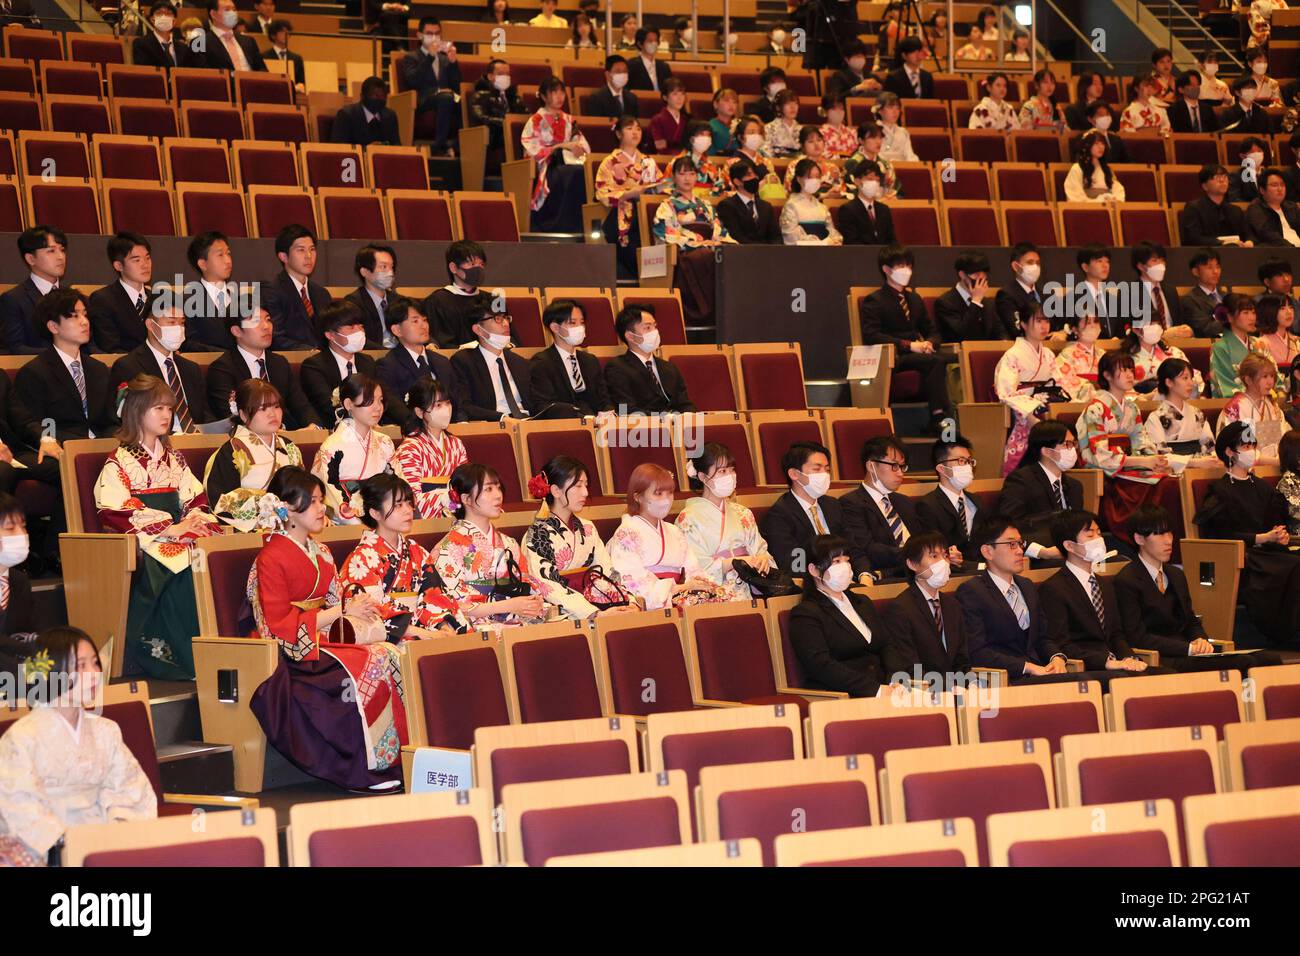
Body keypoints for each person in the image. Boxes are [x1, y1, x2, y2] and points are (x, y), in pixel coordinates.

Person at [246, 467, 405, 791]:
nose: (322, 509)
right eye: (313, 502)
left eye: (321, 500)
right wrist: (338, 612)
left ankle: (392, 761)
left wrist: (354, 608)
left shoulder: (321, 551)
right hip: (291, 648)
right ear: (288, 509)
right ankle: (360, 768)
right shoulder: (270, 557)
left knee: (387, 654)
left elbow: (337, 600)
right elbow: (275, 625)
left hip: (320, 636)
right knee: (366, 665)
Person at [94, 375, 222, 679]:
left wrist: (193, 520)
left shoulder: (173, 457)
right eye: (158, 408)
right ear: (136, 411)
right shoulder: (118, 463)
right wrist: (167, 528)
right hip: (146, 541)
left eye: (169, 408)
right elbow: (114, 510)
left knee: (212, 557)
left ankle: (218, 651)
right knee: (189, 567)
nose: (167, 415)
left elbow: (194, 495)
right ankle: (183, 657)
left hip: (180, 532)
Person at [0, 627, 156, 866]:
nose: (94, 674)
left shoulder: (106, 731)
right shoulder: (21, 737)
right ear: (51, 673)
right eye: (81, 666)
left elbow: (130, 791)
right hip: (45, 850)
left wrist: (115, 835)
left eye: (95, 663)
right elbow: (19, 804)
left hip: (102, 841)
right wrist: (64, 843)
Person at [1115, 505, 1276, 672]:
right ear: (1139, 539)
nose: (1169, 540)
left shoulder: (1175, 574)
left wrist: (1200, 639)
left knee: (1269, 659)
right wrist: (1188, 648)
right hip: (1163, 658)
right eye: (1160, 534)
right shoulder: (1127, 580)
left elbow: (1191, 620)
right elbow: (1138, 638)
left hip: (1189, 652)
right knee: (1245, 663)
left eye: (1169, 533)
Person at [1194, 421, 1300, 645]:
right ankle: (1288, 635)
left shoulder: (1262, 487)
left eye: (1253, 445)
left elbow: (1275, 524)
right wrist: (1260, 538)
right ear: (1229, 452)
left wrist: (1280, 535)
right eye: (1245, 446)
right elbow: (1216, 536)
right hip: (1241, 559)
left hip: (1267, 553)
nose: (1251, 451)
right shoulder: (1220, 491)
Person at [339, 473, 465, 639]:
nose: (408, 510)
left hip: (424, 629)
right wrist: (421, 633)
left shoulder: (416, 551)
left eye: (408, 502)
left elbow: (434, 594)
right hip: (390, 637)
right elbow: (371, 611)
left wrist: (442, 625)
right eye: (398, 505)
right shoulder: (361, 559)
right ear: (375, 513)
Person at [957, 516, 1071, 681]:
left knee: (1091, 684)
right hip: (1004, 679)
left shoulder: (1027, 586)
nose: (1019, 551)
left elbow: (1042, 638)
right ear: (987, 551)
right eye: (1011, 544)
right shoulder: (972, 592)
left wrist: (1057, 657)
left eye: (1020, 544)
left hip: (1039, 674)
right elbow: (978, 652)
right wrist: (1028, 668)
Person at [434, 463, 546, 629]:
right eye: (488, 489)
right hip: (477, 625)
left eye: (498, 488)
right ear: (466, 499)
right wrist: (508, 606)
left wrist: (532, 600)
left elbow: (525, 581)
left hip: (514, 618)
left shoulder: (509, 543)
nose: (498, 496)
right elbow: (450, 604)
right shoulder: (448, 547)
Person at [1040, 510, 1152, 673]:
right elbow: (1061, 644)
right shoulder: (1053, 588)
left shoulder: (1105, 583)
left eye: (1099, 533)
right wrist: (1105, 662)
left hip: (1115, 664)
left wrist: (1130, 659)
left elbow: (1116, 635)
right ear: (1069, 545)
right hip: (1087, 667)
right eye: (1090, 535)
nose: (1099, 540)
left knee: (1166, 676)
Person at [14, 291, 118, 465]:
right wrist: (80, 446)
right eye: (74, 316)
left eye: (85, 314)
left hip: (101, 446)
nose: (85, 322)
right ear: (53, 327)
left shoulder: (98, 369)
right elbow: (36, 425)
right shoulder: (34, 373)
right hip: (63, 449)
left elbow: (110, 420)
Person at [522, 456, 629, 620]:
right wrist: (593, 613)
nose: (585, 492)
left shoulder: (588, 528)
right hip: (564, 613)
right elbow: (547, 585)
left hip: (599, 603)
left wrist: (628, 601)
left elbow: (607, 571)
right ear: (556, 490)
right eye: (578, 486)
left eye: (586, 485)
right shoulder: (538, 534)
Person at [861, 245, 955, 431]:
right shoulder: (875, 300)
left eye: (909, 266)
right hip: (895, 356)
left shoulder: (914, 299)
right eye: (901, 266)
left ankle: (951, 414)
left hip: (918, 355)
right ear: (886, 269)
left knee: (947, 358)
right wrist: (909, 345)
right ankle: (939, 416)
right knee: (935, 362)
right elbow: (872, 334)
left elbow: (931, 330)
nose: (907, 270)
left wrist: (930, 343)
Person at [788, 534, 893, 698]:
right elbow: (822, 666)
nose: (845, 567)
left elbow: (887, 645)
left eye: (847, 560)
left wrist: (896, 679)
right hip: (843, 695)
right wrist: (876, 690)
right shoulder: (805, 614)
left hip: (885, 688)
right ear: (814, 569)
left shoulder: (862, 602)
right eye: (836, 561)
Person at [608, 463, 716, 611]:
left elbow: (693, 569)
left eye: (670, 493)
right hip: (653, 605)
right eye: (658, 493)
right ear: (638, 497)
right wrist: (678, 589)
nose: (666, 500)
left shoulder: (674, 531)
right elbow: (632, 582)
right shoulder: (626, 533)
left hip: (682, 597)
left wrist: (698, 583)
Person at [676, 441, 773, 600]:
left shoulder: (743, 513)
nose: (729, 476)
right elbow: (696, 566)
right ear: (702, 476)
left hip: (751, 586)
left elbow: (760, 550)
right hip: (718, 593)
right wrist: (733, 563)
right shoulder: (688, 518)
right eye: (722, 471)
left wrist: (762, 559)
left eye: (731, 470)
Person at [843, 435, 940, 580]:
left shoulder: (903, 501)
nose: (900, 473)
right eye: (894, 466)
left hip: (918, 571)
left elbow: (922, 537)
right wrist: (917, 555)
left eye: (902, 466)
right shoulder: (851, 503)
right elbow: (867, 548)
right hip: (888, 576)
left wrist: (939, 552)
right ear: (871, 466)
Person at [205, 308, 321, 429]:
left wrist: (313, 425)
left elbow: (301, 405)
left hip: (286, 434)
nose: (266, 326)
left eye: (268, 319)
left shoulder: (279, 363)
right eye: (255, 321)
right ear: (236, 331)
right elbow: (230, 416)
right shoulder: (222, 369)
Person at [881, 532, 970, 686]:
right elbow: (909, 666)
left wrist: (966, 684)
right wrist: (945, 689)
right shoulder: (900, 609)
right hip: (923, 691)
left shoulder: (952, 604)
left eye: (945, 556)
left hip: (955, 690)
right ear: (912, 564)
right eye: (934, 556)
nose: (943, 562)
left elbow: (961, 658)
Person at [108, 306, 211, 433]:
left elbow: (205, 414)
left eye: (182, 323)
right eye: (172, 322)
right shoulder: (128, 366)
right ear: (151, 325)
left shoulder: (191, 368)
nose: (179, 328)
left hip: (196, 440)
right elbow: (124, 419)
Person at [310, 373, 395, 524]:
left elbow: (396, 483)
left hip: (384, 516)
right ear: (349, 404)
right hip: (349, 521)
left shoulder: (385, 442)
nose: (378, 407)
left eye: (380, 400)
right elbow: (330, 493)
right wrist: (358, 520)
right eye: (370, 401)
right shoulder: (331, 447)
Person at [760, 440, 854, 575]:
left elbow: (852, 546)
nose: (825, 475)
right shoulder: (779, 516)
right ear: (794, 474)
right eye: (817, 469)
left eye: (827, 470)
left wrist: (864, 573)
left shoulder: (833, 505)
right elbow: (794, 564)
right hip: (812, 583)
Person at [375, 297, 462, 431]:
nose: (424, 325)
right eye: (415, 321)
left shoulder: (442, 362)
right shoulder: (388, 366)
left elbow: (456, 401)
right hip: (413, 433)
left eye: (425, 320)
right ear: (397, 330)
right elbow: (395, 408)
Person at [1000, 420, 1083, 560]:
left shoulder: (1075, 486)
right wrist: (1041, 552)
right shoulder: (1021, 481)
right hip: (1035, 557)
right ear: (1046, 451)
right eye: (1066, 444)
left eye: (1073, 444)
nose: (1073, 450)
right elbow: (1008, 526)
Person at [995, 309, 1060, 474]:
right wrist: (1030, 415)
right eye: (1038, 321)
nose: (1044, 326)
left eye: (1046, 321)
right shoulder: (1012, 355)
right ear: (1023, 324)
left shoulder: (1049, 355)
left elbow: (1058, 384)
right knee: (1029, 422)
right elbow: (1005, 392)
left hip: (1046, 402)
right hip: (1021, 406)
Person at [522, 76, 589, 233]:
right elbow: (531, 147)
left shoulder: (569, 120)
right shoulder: (536, 120)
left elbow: (581, 143)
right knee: (571, 173)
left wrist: (577, 148)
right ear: (544, 96)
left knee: (580, 172)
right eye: (554, 92)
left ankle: (575, 224)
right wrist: (560, 147)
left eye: (562, 92)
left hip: (570, 164)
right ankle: (557, 223)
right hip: (548, 166)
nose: (559, 97)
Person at [391, 379, 466, 520]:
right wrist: (447, 499)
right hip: (424, 521)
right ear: (419, 412)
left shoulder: (456, 444)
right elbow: (411, 499)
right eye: (438, 405)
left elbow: (465, 486)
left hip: (456, 515)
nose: (445, 409)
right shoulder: (410, 448)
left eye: (447, 403)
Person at [299, 301, 381, 426]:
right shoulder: (314, 366)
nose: (359, 332)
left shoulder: (368, 362)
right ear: (330, 335)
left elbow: (384, 396)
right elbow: (326, 405)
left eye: (361, 326)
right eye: (351, 327)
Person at [603, 305, 697, 414]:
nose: (655, 332)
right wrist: (665, 419)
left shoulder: (669, 367)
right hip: (644, 428)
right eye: (648, 328)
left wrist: (690, 415)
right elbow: (625, 409)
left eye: (655, 326)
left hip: (678, 426)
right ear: (630, 336)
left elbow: (685, 403)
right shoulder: (617, 368)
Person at [529, 300, 613, 418]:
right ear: (555, 327)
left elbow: (604, 398)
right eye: (573, 323)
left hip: (598, 422)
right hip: (567, 424)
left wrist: (609, 413)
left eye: (582, 322)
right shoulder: (542, 363)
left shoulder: (590, 360)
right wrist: (582, 418)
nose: (580, 328)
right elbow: (545, 406)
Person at [450, 306, 532, 421]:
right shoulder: (464, 362)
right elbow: (464, 406)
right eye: (498, 318)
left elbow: (536, 401)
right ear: (478, 330)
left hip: (527, 420)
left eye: (506, 318)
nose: (505, 323)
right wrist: (501, 417)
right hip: (495, 423)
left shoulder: (519, 362)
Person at [1, 225, 68, 356]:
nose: (61, 257)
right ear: (31, 259)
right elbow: (15, 348)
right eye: (51, 251)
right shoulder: (13, 299)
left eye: (62, 250)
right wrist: (62, 355)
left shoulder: (73, 297)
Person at [399, 17, 461, 157]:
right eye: (429, 33)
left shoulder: (444, 59)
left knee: (464, 101)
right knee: (445, 97)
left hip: (447, 97)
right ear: (419, 35)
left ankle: (457, 147)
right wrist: (430, 57)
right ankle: (439, 146)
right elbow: (413, 81)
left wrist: (453, 63)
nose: (434, 37)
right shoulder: (411, 57)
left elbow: (457, 85)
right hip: (422, 100)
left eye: (437, 33)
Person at [264, 224, 332, 350]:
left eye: (312, 249)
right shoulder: (270, 291)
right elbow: (275, 337)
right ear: (283, 256)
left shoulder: (322, 293)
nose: (309, 256)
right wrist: (308, 352)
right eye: (301, 250)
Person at [87, 232, 155, 354]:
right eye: (137, 260)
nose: (145, 265)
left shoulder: (158, 299)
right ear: (118, 266)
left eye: (147, 258)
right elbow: (109, 346)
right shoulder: (103, 300)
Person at [915, 437, 980, 561]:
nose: (967, 467)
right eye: (961, 461)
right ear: (941, 468)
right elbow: (931, 549)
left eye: (969, 461)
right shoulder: (927, 506)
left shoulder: (977, 501)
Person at [1216, 353, 1286, 462]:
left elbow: (1283, 437)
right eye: (1264, 376)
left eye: (1272, 376)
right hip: (1246, 467)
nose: (1270, 382)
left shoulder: (1272, 405)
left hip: (1276, 464)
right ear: (1248, 380)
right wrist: (1267, 461)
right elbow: (1232, 446)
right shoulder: (1235, 408)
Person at [1142, 358, 1216, 461]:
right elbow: (1161, 457)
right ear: (1169, 382)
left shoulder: (1197, 414)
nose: (1191, 383)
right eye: (1185, 378)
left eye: (1191, 378)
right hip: (1174, 472)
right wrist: (1194, 463)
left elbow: (1211, 447)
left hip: (1201, 466)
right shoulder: (1156, 418)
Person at [181, 230, 243, 352]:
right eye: (220, 255)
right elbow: (188, 344)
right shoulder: (188, 303)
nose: (228, 260)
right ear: (203, 264)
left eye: (228, 254)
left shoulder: (242, 300)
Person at [652, 156, 734, 247]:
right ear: (674, 177)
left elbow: (719, 230)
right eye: (682, 174)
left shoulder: (706, 205)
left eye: (691, 174)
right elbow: (663, 233)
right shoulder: (667, 206)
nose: (687, 178)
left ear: (696, 177)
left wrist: (715, 242)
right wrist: (695, 241)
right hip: (687, 252)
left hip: (709, 247)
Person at [424, 240, 492, 350]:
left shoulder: (491, 299)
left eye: (481, 264)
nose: (478, 269)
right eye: (472, 264)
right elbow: (437, 341)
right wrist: (462, 348)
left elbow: (509, 337)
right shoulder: (438, 301)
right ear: (453, 268)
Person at [0, 493, 50, 635]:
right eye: (10, 528)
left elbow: (30, 631)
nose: (21, 534)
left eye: (23, 527)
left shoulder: (19, 581)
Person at [470, 59, 524, 175]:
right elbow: (480, 118)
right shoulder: (480, 96)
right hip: (493, 137)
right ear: (490, 76)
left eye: (507, 74)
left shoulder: (514, 97)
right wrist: (505, 123)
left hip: (510, 133)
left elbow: (525, 116)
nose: (505, 77)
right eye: (500, 74)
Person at [1180, 165, 1252, 248]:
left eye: (1225, 177)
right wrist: (1222, 243)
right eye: (1217, 177)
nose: (1222, 180)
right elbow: (1193, 239)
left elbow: (1248, 234)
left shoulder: (1235, 210)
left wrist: (1249, 241)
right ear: (1204, 186)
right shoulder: (1194, 208)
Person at [716, 157, 783, 244]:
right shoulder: (727, 206)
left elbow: (776, 237)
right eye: (749, 175)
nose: (755, 178)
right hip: (742, 254)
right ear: (737, 181)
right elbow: (736, 237)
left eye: (755, 174)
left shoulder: (766, 206)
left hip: (768, 254)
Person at [344, 244, 399, 350]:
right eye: (383, 267)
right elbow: (359, 340)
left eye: (391, 267)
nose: (390, 273)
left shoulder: (398, 300)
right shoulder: (353, 303)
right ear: (365, 272)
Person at [934, 251, 996, 342]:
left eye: (984, 274)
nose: (982, 278)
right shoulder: (945, 302)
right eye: (976, 274)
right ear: (962, 274)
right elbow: (963, 334)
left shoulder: (989, 303)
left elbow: (998, 331)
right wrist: (975, 302)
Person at [1210, 295, 1264, 397]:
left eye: (1253, 312)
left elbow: (1273, 375)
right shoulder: (1220, 347)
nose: (1252, 318)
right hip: (1238, 405)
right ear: (1230, 317)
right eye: (1245, 313)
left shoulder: (1259, 344)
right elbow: (1225, 386)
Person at [780, 158, 843, 246]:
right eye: (809, 177)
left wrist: (834, 241)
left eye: (817, 177)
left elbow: (832, 232)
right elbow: (790, 238)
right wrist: (821, 243)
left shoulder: (822, 207)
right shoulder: (791, 206)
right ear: (799, 179)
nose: (814, 180)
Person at [1074, 244, 1125, 338]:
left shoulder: (1114, 299)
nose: (1105, 265)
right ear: (1085, 267)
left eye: (1107, 261)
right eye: (1099, 261)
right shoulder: (1075, 298)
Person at [331, 76, 399, 146]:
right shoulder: (346, 115)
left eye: (383, 96)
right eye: (375, 95)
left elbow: (396, 145)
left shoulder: (390, 116)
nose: (379, 99)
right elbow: (340, 148)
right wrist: (367, 150)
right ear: (362, 96)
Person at [1179, 249, 1231, 337]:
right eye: (1209, 267)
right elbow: (1205, 329)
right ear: (1195, 272)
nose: (1215, 272)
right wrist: (1234, 320)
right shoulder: (1190, 300)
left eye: (1217, 267)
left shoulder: (1227, 296)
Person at [202, 0, 267, 72]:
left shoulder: (249, 41)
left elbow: (262, 70)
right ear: (213, 14)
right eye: (227, 9)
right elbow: (203, 76)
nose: (233, 13)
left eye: (234, 10)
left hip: (251, 81)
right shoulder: (201, 43)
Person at [1054, 311, 1105, 402]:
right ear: (1075, 329)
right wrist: (1091, 390)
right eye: (1088, 322)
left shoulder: (1104, 355)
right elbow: (1064, 385)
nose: (1093, 325)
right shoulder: (1066, 355)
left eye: (1096, 321)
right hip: (1079, 405)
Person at [782, 126, 844, 199]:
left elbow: (841, 189)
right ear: (803, 146)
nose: (816, 144)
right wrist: (824, 196)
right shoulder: (795, 165)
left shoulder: (832, 168)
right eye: (811, 141)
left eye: (819, 140)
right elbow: (790, 191)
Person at [1065, 130, 1126, 203]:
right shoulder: (1077, 168)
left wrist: (1113, 199)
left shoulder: (1106, 169)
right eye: (1096, 143)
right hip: (1088, 209)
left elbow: (1117, 188)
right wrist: (1097, 201)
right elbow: (1075, 196)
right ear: (1088, 145)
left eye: (1102, 143)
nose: (1100, 147)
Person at [133, 1, 197, 69]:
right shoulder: (141, 44)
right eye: (159, 13)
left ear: (174, 21)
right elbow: (145, 73)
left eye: (168, 13)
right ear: (152, 19)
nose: (163, 17)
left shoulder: (183, 48)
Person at [673, 120, 728, 198]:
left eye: (708, 135)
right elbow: (668, 187)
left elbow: (718, 186)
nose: (706, 138)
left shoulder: (709, 164)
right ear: (691, 138)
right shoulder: (677, 162)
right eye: (701, 134)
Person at [1247, 168, 1300, 246]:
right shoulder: (1255, 209)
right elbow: (1269, 235)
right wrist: (1293, 249)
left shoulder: (1291, 207)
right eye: (1274, 185)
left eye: (1282, 185)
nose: (1280, 189)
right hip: (1281, 253)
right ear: (1262, 190)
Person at [844, 123, 898, 199]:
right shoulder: (853, 163)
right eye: (873, 138)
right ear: (861, 140)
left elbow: (895, 189)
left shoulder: (886, 165)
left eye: (880, 138)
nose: (878, 142)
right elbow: (849, 189)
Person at [1255, 294, 1300, 370]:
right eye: (1282, 308)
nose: (1289, 312)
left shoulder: (1297, 340)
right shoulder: (1261, 343)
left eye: (1291, 307)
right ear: (1269, 311)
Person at [588, 55, 638, 119]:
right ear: (608, 75)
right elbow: (597, 124)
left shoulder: (632, 98)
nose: (622, 74)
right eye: (618, 71)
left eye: (625, 71)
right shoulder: (597, 98)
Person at [874, 92, 918, 162]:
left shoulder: (903, 132)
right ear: (880, 110)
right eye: (890, 108)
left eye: (897, 108)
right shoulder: (872, 131)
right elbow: (874, 156)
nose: (895, 112)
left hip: (902, 168)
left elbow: (910, 155)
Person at [650, 77, 688, 155]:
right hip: (666, 159)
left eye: (682, 94)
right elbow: (659, 145)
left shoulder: (686, 119)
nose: (679, 98)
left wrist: (668, 142)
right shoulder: (657, 120)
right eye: (675, 94)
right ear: (665, 97)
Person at [627, 28, 671, 93]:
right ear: (640, 44)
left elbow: (669, 89)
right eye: (650, 41)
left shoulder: (664, 67)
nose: (653, 43)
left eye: (655, 40)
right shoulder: (631, 65)